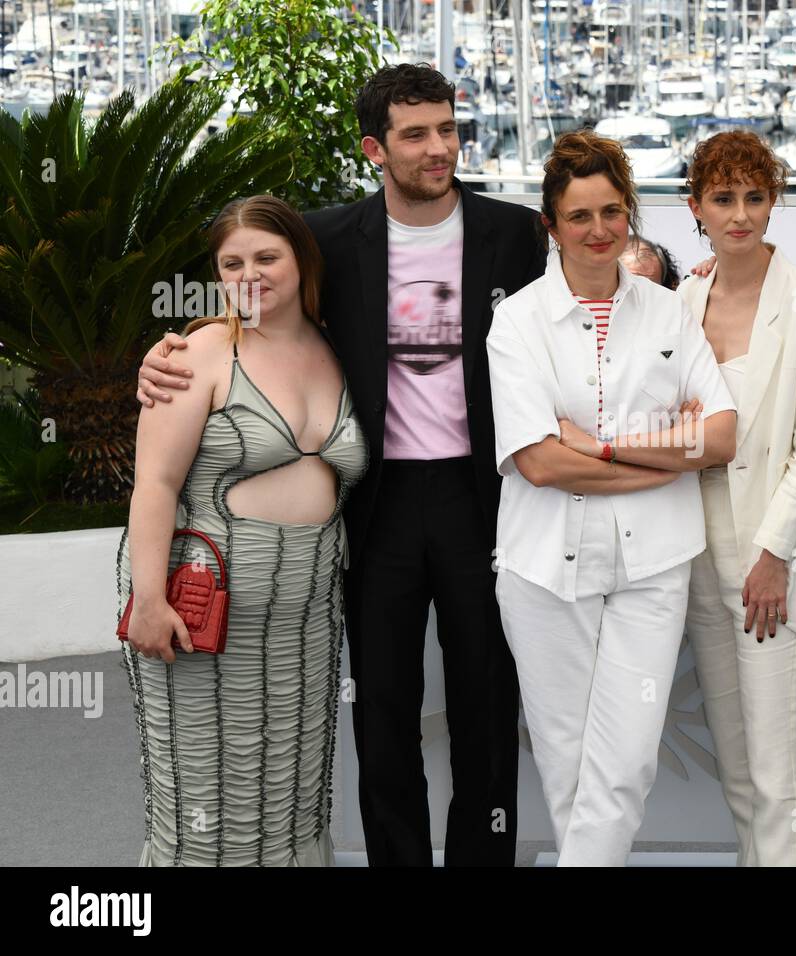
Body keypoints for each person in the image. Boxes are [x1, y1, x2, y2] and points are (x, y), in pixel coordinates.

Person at [136, 63, 546, 867]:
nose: (440, 148)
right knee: (382, 714)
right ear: (374, 148)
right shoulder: (325, 238)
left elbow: (588, 301)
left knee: (488, 710)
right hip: (378, 507)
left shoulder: (516, 234)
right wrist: (162, 358)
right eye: (416, 134)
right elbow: (250, 306)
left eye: (448, 129)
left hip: (485, 502)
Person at [486, 130, 738, 866]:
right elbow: (536, 461)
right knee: (567, 766)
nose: (599, 231)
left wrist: (594, 447)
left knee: (624, 765)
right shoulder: (518, 320)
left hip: (653, 566)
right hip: (542, 571)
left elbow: (718, 437)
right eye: (579, 216)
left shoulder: (668, 312)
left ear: (629, 212)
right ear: (551, 225)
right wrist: (662, 459)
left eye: (612, 212)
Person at [119, 195, 368, 866]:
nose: (249, 274)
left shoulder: (340, 348)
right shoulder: (197, 353)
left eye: (266, 257)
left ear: (301, 260)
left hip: (307, 618)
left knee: (290, 796)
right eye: (232, 263)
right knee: (206, 801)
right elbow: (156, 485)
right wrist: (148, 600)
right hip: (202, 612)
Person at [677, 131, 796, 866]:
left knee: (779, 779)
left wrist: (773, 553)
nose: (739, 214)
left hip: (780, 557)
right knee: (738, 770)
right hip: (697, 550)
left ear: (772, 203)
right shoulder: (681, 300)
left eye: (753, 197)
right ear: (697, 209)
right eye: (723, 199)